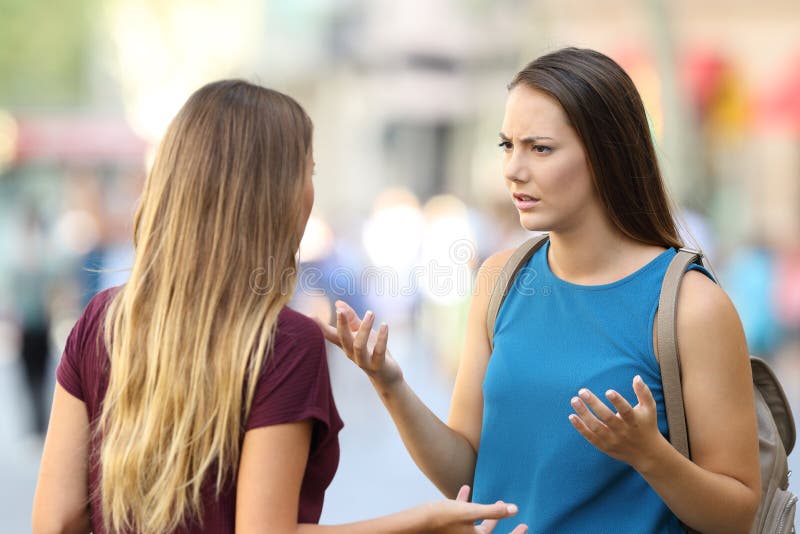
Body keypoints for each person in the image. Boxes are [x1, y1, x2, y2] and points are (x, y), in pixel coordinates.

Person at [31, 80, 528, 534]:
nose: (310, 190)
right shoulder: (284, 342)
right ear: (273, 194)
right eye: (307, 171)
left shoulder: (102, 320)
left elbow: (56, 521)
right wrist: (421, 522)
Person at [320, 48, 761, 533]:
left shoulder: (691, 306)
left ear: (606, 155)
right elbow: (466, 475)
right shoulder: (499, 280)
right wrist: (390, 383)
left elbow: (737, 514)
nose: (513, 169)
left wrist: (649, 454)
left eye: (540, 148)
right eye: (507, 145)